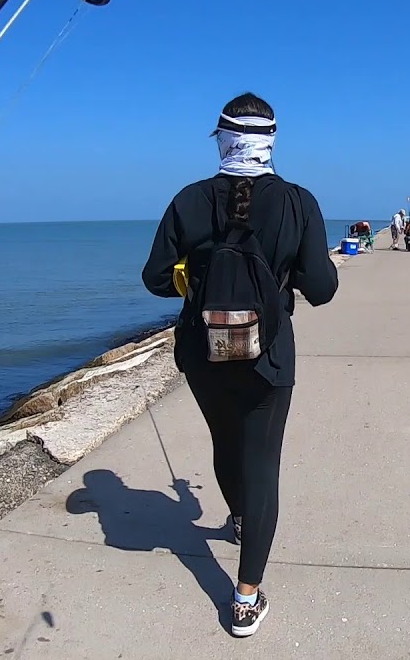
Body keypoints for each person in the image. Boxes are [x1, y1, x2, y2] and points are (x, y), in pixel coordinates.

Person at [141, 92, 339, 638]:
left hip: (204, 353)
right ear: (271, 141)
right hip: (268, 356)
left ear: (221, 139)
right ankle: (245, 596)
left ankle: (240, 519)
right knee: (262, 460)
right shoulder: (299, 202)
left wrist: (196, 273)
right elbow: (321, 288)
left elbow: (155, 279)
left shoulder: (188, 199)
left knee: (225, 444)